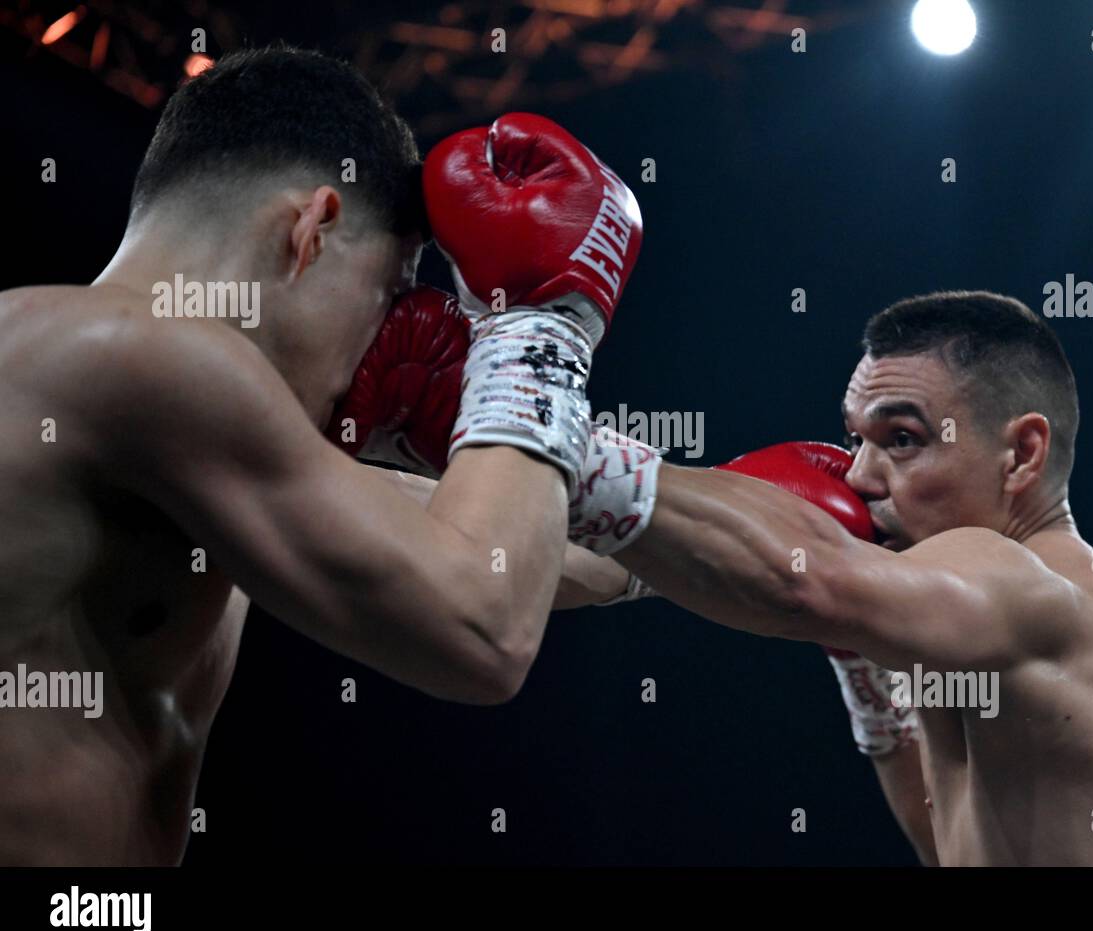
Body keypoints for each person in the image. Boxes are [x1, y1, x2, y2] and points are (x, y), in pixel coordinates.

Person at [0, 45, 640, 864]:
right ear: (314, 230)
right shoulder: (144, 357)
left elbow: (544, 555)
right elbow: (482, 625)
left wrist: (780, 540)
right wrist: (544, 333)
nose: (385, 342)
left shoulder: (171, 421)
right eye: (390, 293)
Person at [560, 290, 1093, 865]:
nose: (859, 476)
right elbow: (954, 843)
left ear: (1021, 454)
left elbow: (803, 583)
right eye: (854, 436)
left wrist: (543, 410)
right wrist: (861, 665)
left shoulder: (1007, 578)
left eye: (902, 439)